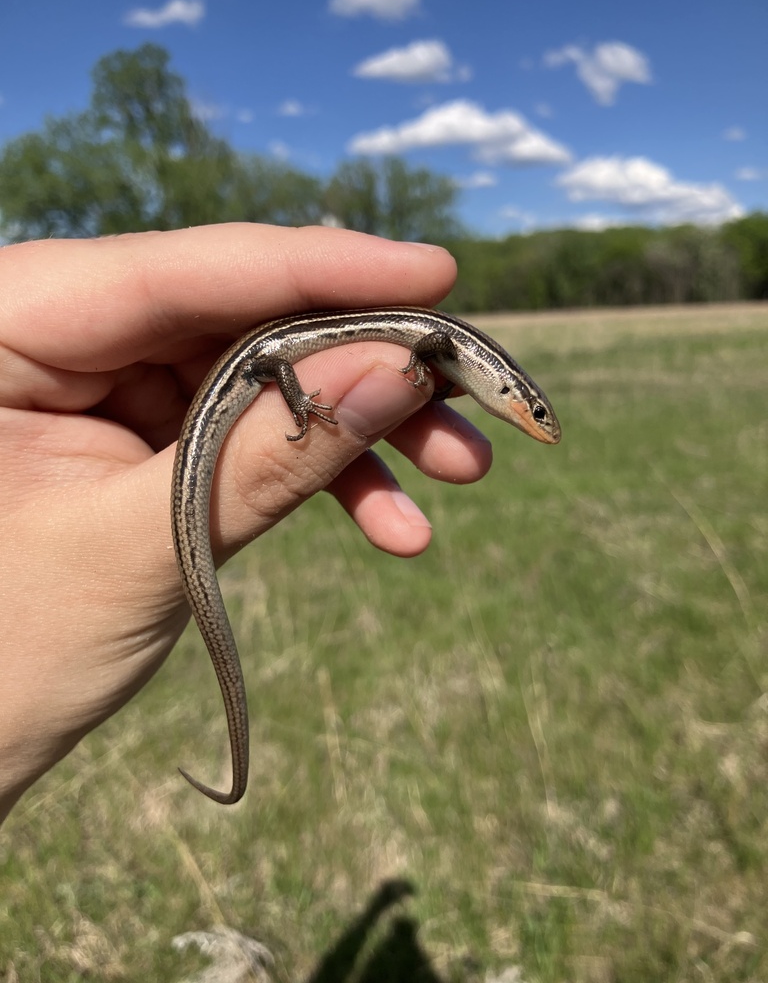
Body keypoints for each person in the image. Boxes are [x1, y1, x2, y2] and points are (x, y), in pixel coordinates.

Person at [0, 223, 494, 823]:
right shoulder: (440, 339)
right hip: (255, 362)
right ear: (505, 381)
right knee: (295, 371)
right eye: (533, 410)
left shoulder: (441, 341)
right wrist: (312, 402)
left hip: (256, 360)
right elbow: (401, 350)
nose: (534, 419)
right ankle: (306, 403)